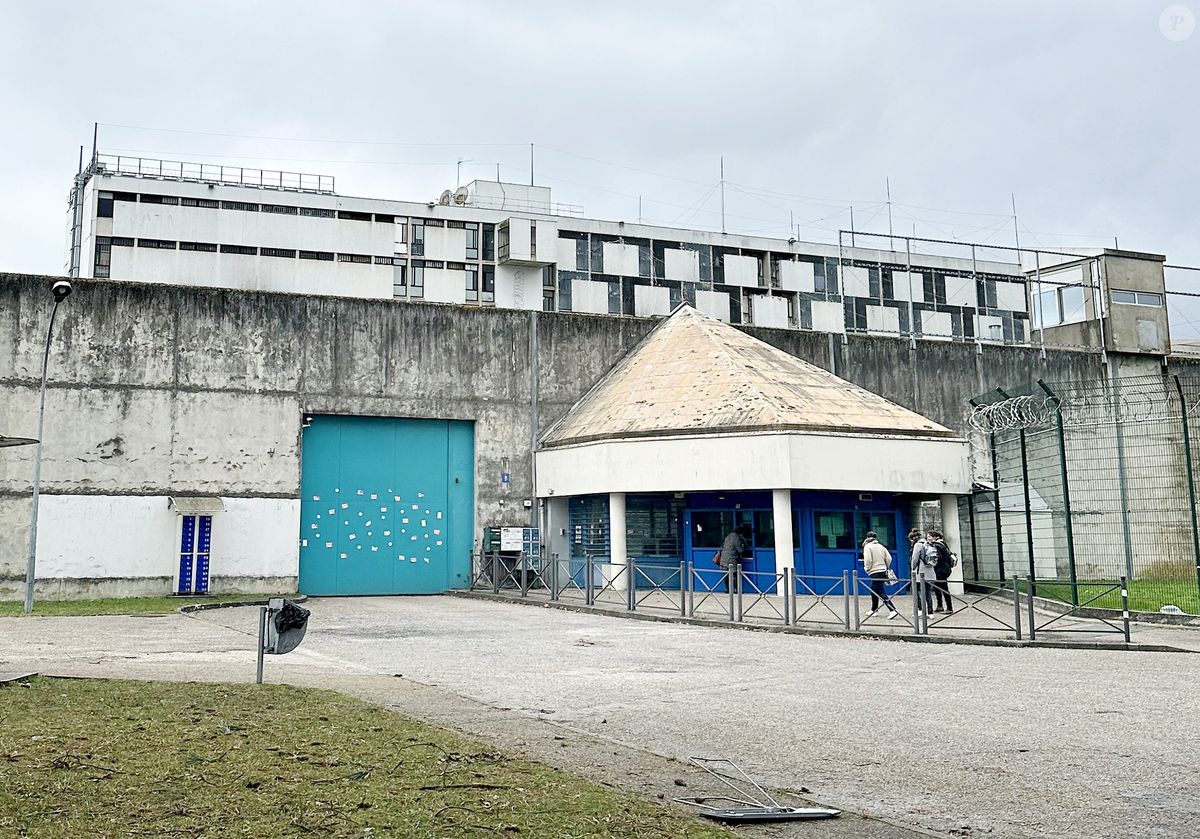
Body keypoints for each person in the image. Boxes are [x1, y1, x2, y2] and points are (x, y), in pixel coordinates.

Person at [861, 531, 899, 619]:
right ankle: (874, 609)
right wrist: (885, 566)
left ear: (867, 538)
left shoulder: (867, 547)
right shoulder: (881, 546)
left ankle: (892, 610)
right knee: (874, 589)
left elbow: (868, 560)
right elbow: (889, 558)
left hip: (874, 571)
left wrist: (867, 568)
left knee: (879, 590)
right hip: (883, 570)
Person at [925, 531, 955, 613]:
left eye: (929, 537)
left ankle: (948, 607)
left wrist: (932, 563)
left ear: (935, 537)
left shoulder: (937, 546)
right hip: (945, 568)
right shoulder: (943, 544)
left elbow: (938, 558)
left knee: (942, 587)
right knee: (938, 587)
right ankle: (940, 606)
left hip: (940, 569)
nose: (928, 538)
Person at [909, 528, 934, 616]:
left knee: (916, 591)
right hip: (930, 571)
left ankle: (920, 610)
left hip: (920, 572)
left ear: (913, 539)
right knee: (927, 592)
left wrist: (912, 569)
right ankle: (930, 612)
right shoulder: (929, 543)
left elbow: (915, 559)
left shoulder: (918, 545)